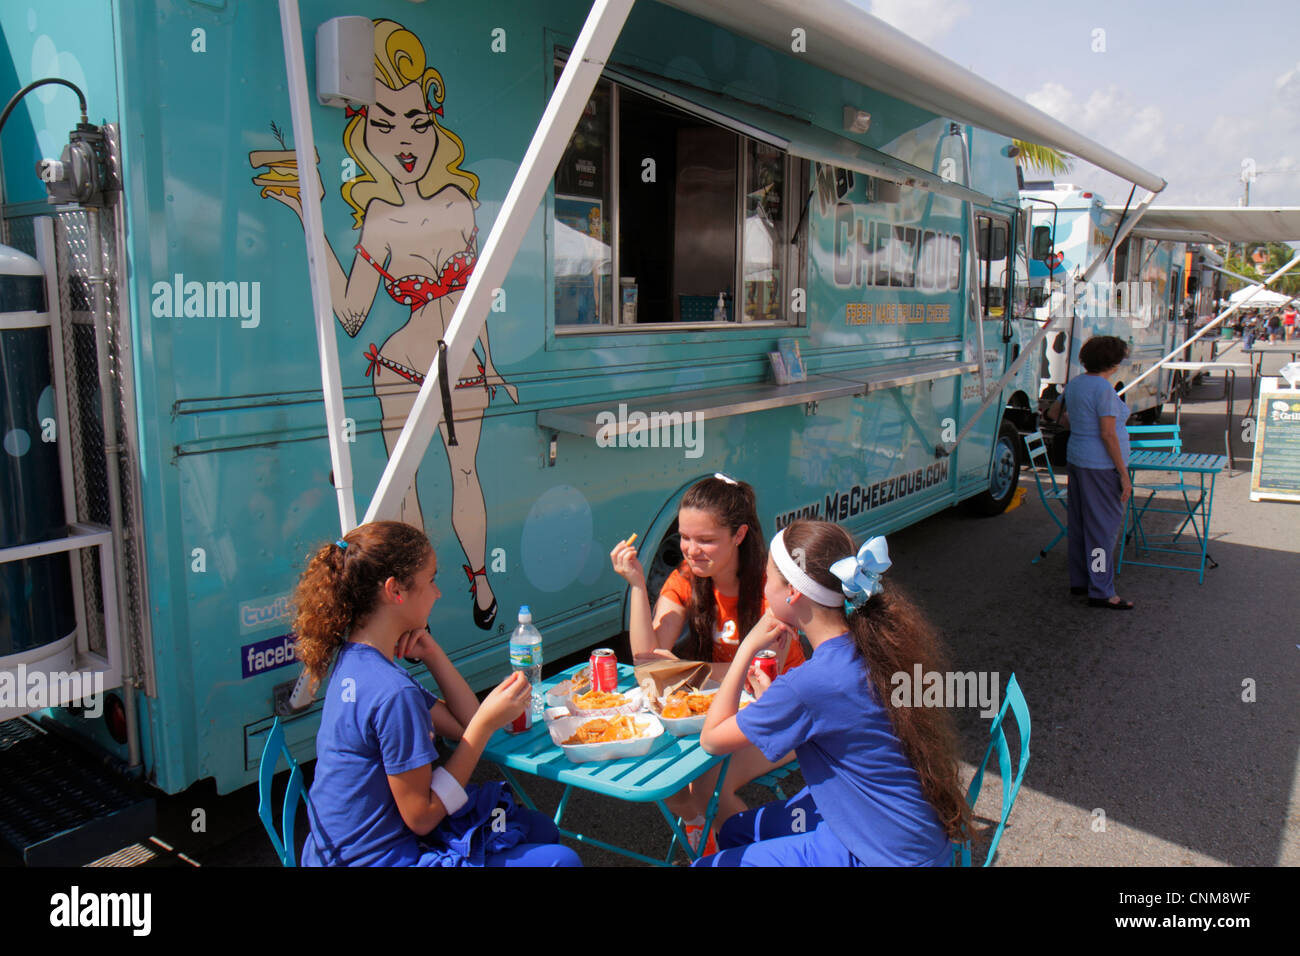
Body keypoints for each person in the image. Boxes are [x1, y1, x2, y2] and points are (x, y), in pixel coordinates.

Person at [258, 18, 516, 631]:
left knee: (458, 475)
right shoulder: (376, 218)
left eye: (418, 122)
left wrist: (489, 358)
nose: (405, 140)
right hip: (403, 365)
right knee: (407, 494)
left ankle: (477, 585)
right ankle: (418, 616)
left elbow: (472, 300)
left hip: (457, 365)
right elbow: (350, 313)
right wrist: (310, 216)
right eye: (384, 123)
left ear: (435, 128)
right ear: (362, 134)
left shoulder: (459, 206)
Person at [292, 520, 580, 866]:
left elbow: (463, 723)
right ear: (395, 591)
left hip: (336, 854)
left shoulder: (357, 659)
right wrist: (486, 725)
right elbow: (423, 815)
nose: (438, 593)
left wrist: (433, 654)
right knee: (560, 860)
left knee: (538, 827)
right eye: (431, 580)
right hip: (379, 858)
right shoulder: (392, 692)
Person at [692, 521, 970, 866]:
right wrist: (777, 699)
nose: (763, 588)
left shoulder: (809, 684)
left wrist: (746, 647)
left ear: (792, 592)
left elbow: (712, 740)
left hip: (877, 853)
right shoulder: (873, 643)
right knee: (735, 831)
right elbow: (836, 718)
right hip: (908, 835)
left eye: (768, 579)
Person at [609, 474, 806, 849]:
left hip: (782, 711)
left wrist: (685, 671)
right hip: (718, 707)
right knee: (657, 765)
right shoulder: (686, 578)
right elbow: (647, 662)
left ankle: (757, 855)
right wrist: (636, 586)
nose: (691, 550)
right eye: (684, 537)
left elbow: (758, 674)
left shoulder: (772, 589)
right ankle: (701, 827)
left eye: (706, 540)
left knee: (708, 783)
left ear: (739, 535)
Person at [1047, 336, 1134, 609]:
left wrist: (1079, 425)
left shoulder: (1076, 384)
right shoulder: (1104, 390)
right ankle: (1100, 589)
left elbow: (1052, 413)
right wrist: (1123, 473)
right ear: (1113, 361)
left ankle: (1080, 580)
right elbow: (1108, 434)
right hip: (1101, 466)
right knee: (1102, 530)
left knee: (1081, 524)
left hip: (1078, 459)